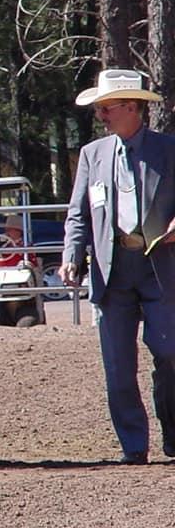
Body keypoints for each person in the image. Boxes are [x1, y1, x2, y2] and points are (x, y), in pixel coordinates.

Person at [59, 68, 175, 465]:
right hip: (112, 271)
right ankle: (133, 446)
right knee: (118, 365)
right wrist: (72, 255)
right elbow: (78, 214)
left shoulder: (169, 150)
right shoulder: (93, 155)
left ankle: (173, 434)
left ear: (132, 108)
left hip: (162, 267)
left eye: (106, 108)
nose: (101, 116)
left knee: (170, 352)